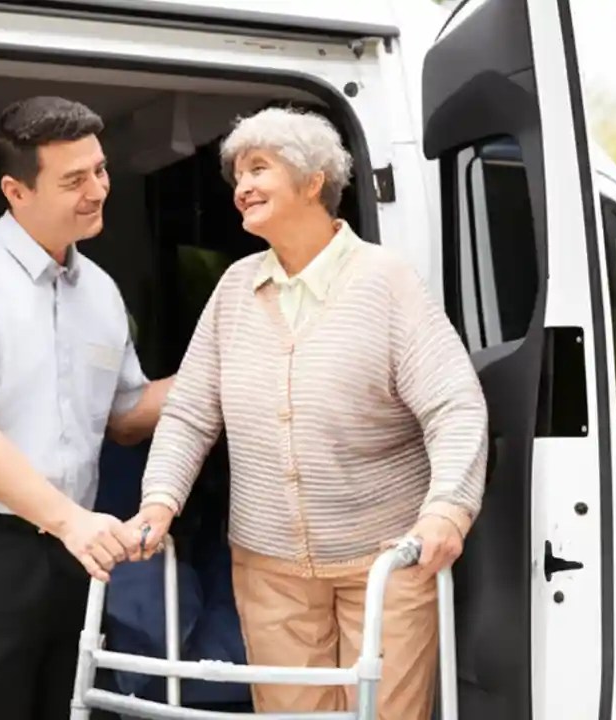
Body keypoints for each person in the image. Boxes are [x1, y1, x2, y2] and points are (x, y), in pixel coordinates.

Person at [126, 106, 488, 719]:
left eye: (258, 169)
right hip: (269, 566)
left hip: (384, 560)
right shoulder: (235, 290)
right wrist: (159, 500)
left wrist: (448, 510)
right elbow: (189, 412)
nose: (241, 187)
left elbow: (455, 405)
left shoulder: (385, 281)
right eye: (238, 174)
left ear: (314, 179)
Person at [0, 95, 172, 720]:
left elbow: (126, 417)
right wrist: (74, 522)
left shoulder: (100, 290)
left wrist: (226, 370)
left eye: (99, 170)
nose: (98, 189)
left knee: (66, 709)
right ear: (16, 192)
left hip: (71, 548)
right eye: (74, 180)